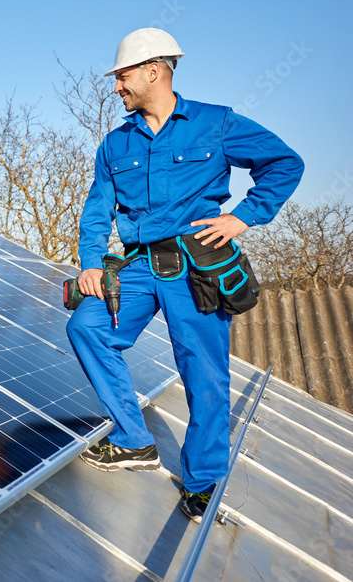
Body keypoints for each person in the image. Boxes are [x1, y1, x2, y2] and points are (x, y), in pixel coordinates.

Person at [66, 28, 304, 521]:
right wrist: (91, 261)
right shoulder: (115, 144)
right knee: (86, 327)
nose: (117, 88)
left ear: (154, 71)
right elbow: (97, 208)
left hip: (195, 266)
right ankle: (134, 440)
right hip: (136, 266)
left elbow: (285, 163)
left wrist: (244, 216)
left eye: (123, 77)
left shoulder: (214, 124)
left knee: (204, 373)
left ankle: (203, 481)